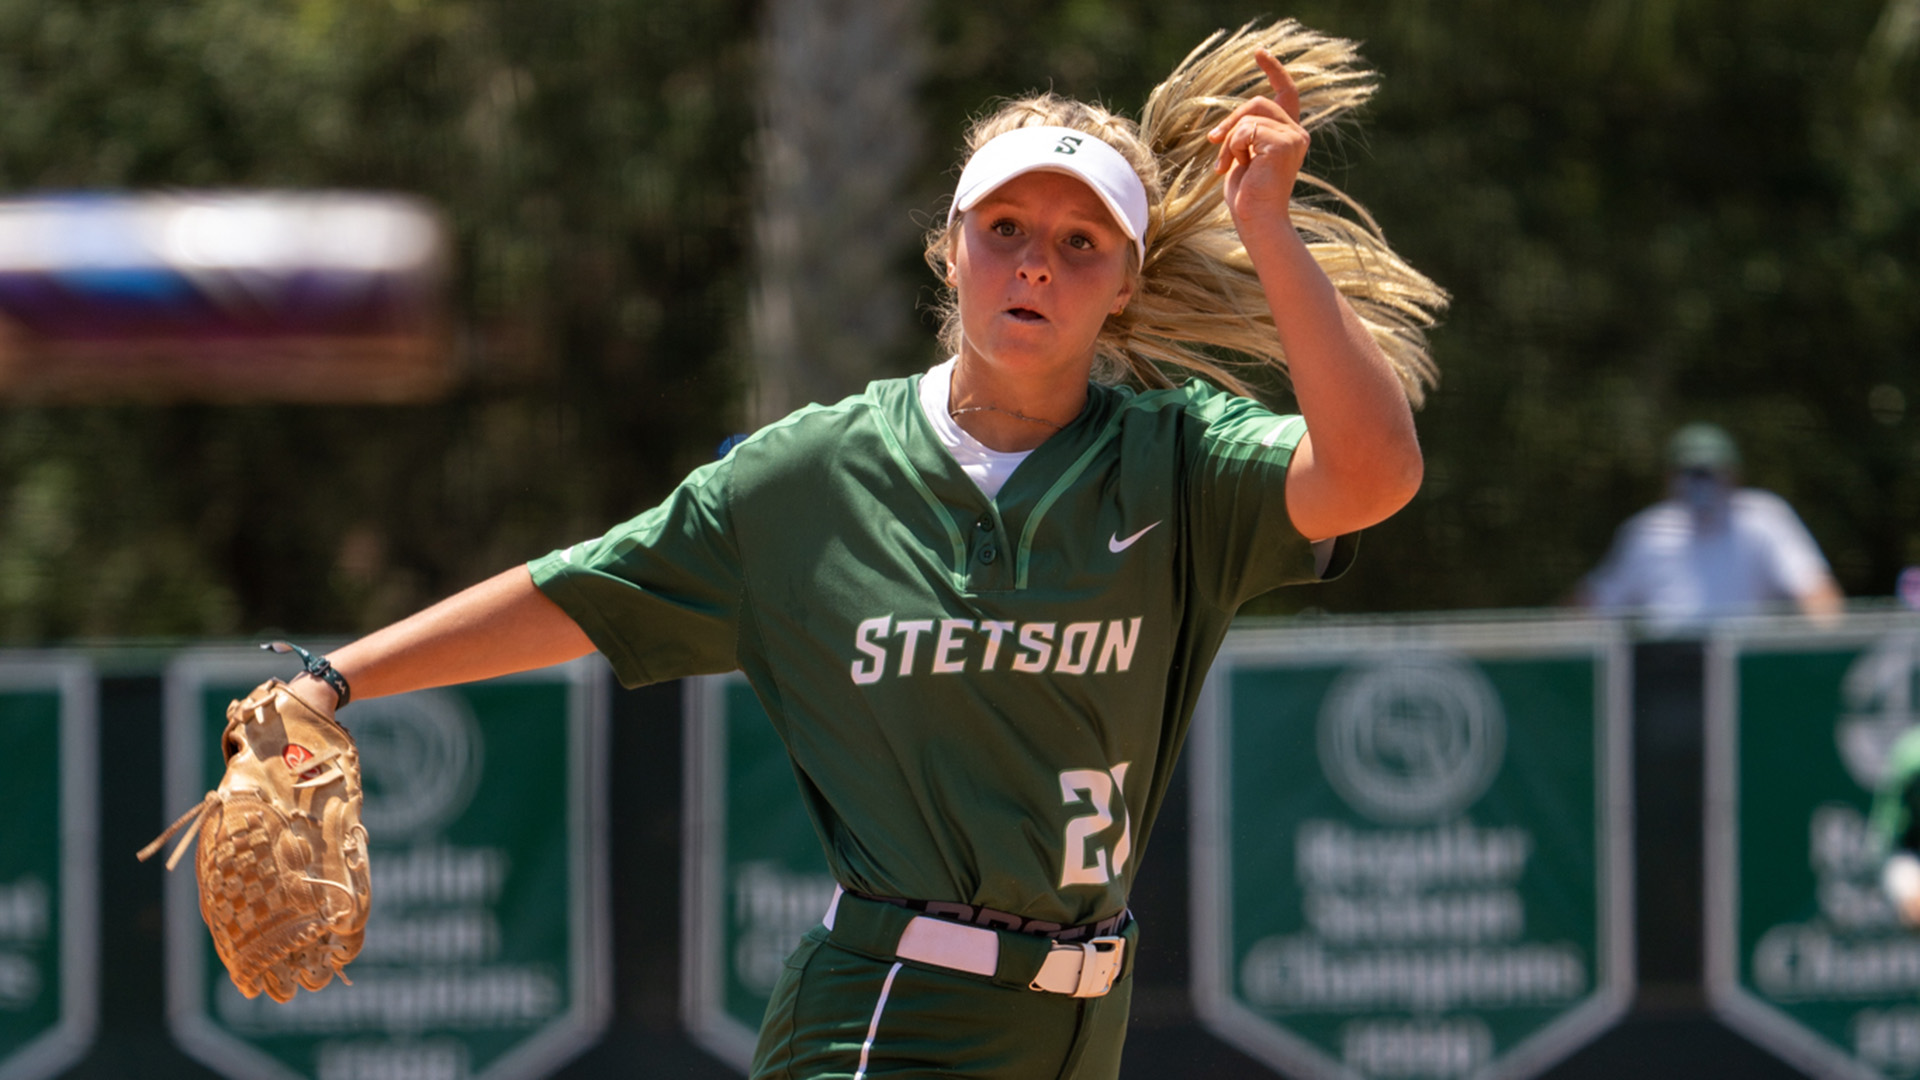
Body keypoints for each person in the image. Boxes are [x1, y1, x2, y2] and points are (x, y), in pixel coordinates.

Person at [267, 20, 1444, 1079]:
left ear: (1127, 284)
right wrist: (335, 680)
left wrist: (1269, 235)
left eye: (1083, 242)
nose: (1036, 260)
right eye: (1006, 228)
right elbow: (581, 590)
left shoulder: (1182, 463)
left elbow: (1374, 474)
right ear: (949, 249)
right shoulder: (811, 476)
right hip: (897, 1013)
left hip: (1086, 1020)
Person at [1580, 422, 1844, 630]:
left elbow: (1815, 591)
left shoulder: (1764, 519)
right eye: (1691, 473)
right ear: (1669, 479)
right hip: (1666, 675)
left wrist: (1828, 647)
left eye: (1709, 472)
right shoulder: (1646, 532)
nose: (1700, 484)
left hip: (1750, 672)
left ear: (1734, 475)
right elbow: (1593, 605)